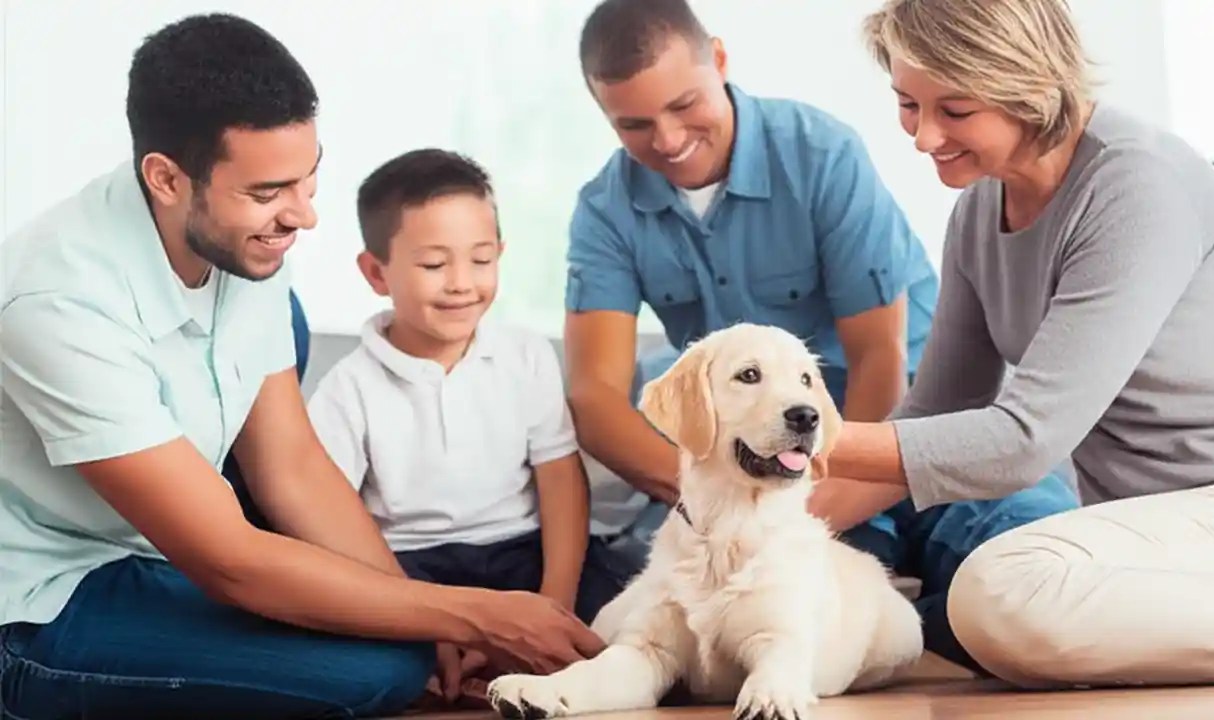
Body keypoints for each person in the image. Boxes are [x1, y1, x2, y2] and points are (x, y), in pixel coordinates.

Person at [0, 13, 602, 719]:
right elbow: (227, 559)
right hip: (53, 593)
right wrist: (473, 616)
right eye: (266, 194)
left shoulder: (242, 246)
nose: (303, 217)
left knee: (401, 640)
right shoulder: (57, 301)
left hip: (170, 547)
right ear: (165, 178)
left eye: (307, 181)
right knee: (373, 671)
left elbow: (292, 466)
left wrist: (428, 616)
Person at [563, 0, 1079, 666]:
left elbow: (879, 359)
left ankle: (923, 622)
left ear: (718, 61)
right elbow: (595, 399)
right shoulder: (603, 210)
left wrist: (803, 508)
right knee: (626, 599)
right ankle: (914, 624)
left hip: (904, 434)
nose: (665, 139)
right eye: (632, 124)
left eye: (684, 104)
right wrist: (717, 496)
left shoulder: (819, 153)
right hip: (760, 471)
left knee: (1034, 559)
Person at [813, 0, 1214, 688]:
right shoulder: (978, 211)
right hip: (1154, 531)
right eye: (909, 104)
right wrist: (763, 524)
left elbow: (1023, 441)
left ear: (1027, 87)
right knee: (969, 607)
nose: (922, 136)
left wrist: (796, 437)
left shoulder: (1135, 185)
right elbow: (929, 421)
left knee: (995, 591)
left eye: (955, 110)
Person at [306, 148, 634, 654]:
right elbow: (330, 521)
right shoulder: (347, 388)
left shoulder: (524, 356)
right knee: (359, 639)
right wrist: (424, 622)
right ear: (376, 273)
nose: (461, 283)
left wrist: (555, 604)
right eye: (435, 264)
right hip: (412, 567)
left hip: (524, 553)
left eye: (481, 260)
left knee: (632, 616)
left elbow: (561, 480)